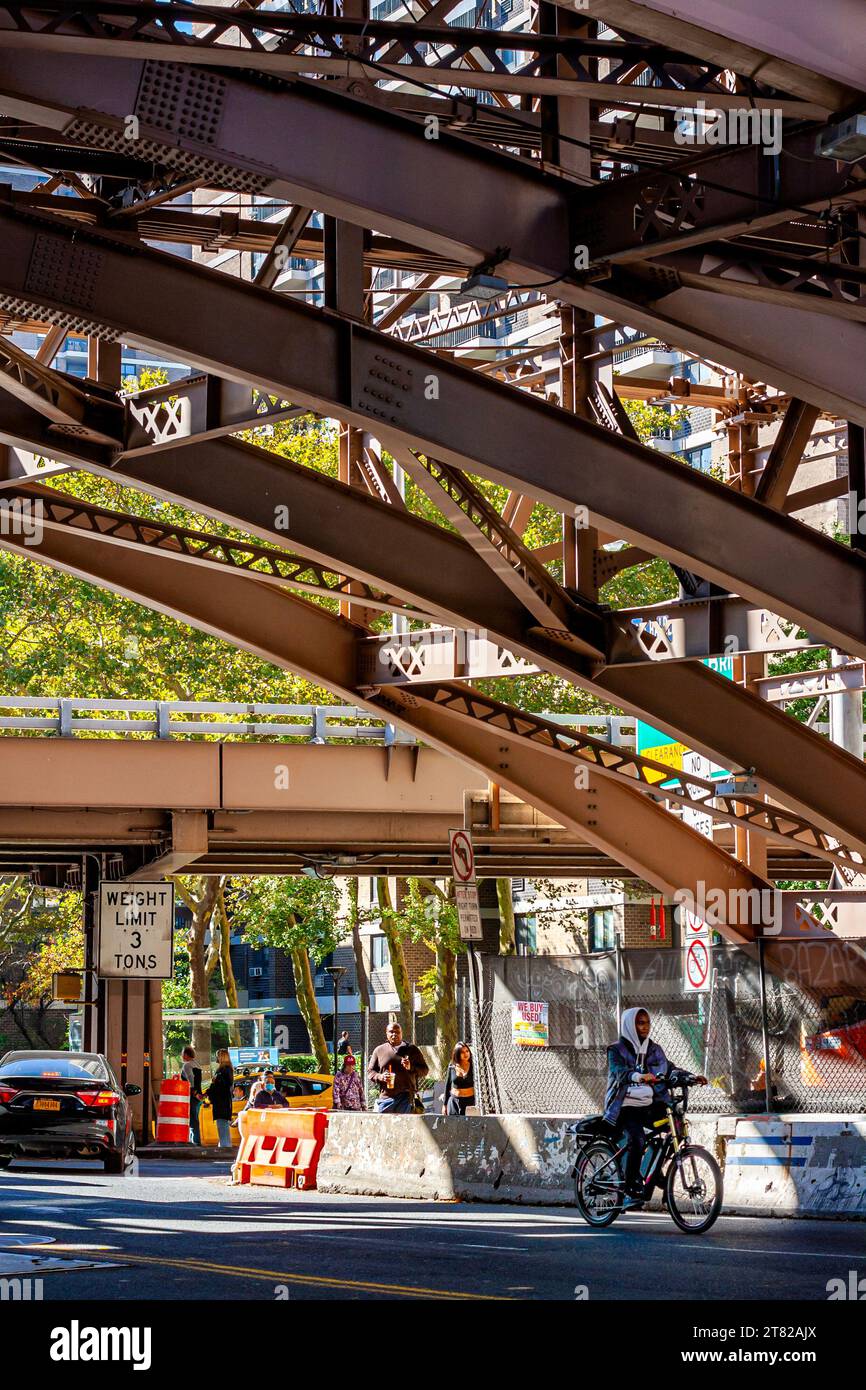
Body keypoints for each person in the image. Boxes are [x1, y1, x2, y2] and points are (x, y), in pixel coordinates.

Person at [604, 1006, 706, 1204]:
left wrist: (690, 1077)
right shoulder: (616, 1050)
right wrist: (638, 1076)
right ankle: (631, 1183)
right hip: (623, 1107)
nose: (645, 1027)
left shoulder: (653, 1049)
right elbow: (619, 1073)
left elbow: (669, 1069)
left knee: (675, 1128)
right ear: (629, 1025)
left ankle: (655, 1170)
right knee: (637, 1138)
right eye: (640, 1023)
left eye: (647, 1023)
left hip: (649, 1104)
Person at [367, 1021, 428, 1114]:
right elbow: (370, 1072)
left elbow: (425, 1070)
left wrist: (411, 1067)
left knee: (406, 1127)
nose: (394, 1034)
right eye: (391, 1031)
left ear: (401, 1033)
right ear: (386, 1033)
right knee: (384, 1127)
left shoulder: (412, 1049)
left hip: (407, 1098)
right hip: (386, 1098)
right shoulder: (379, 1050)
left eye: (397, 1032)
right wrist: (381, 1077)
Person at [206, 1048, 235, 1148]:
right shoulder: (227, 1069)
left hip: (221, 1102)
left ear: (221, 1057)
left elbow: (221, 1086)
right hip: (223, 1102)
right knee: (223, 1125)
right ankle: (225, 1145)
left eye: (217, 1055)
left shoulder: (223, 1070)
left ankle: (225, 1146)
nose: (216, 1058)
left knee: (222, 1125)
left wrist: (215, 1082)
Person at [442, 1041, 475, 1115]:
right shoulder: (452, 1066)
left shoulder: (474, 1065)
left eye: (467, 1051)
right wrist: (445, 1105)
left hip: (470, 1102)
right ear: (457, 1053)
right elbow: (447, 1085)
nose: (466, 1054)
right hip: (454, 1102)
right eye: (462, 1052)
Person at [180, 1045, 204, 1146]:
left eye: (182, 1054)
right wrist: (198, 1093)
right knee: (195, 1117)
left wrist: (194, 1093)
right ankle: (194, 1140)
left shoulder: (187, 1065)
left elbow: (191, 1079)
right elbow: (198, 1080)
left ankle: (195, 1141)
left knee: (192, 1119)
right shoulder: (197, 1065)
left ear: (185, 1054)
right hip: (199, 1095)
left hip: (191, 1095)